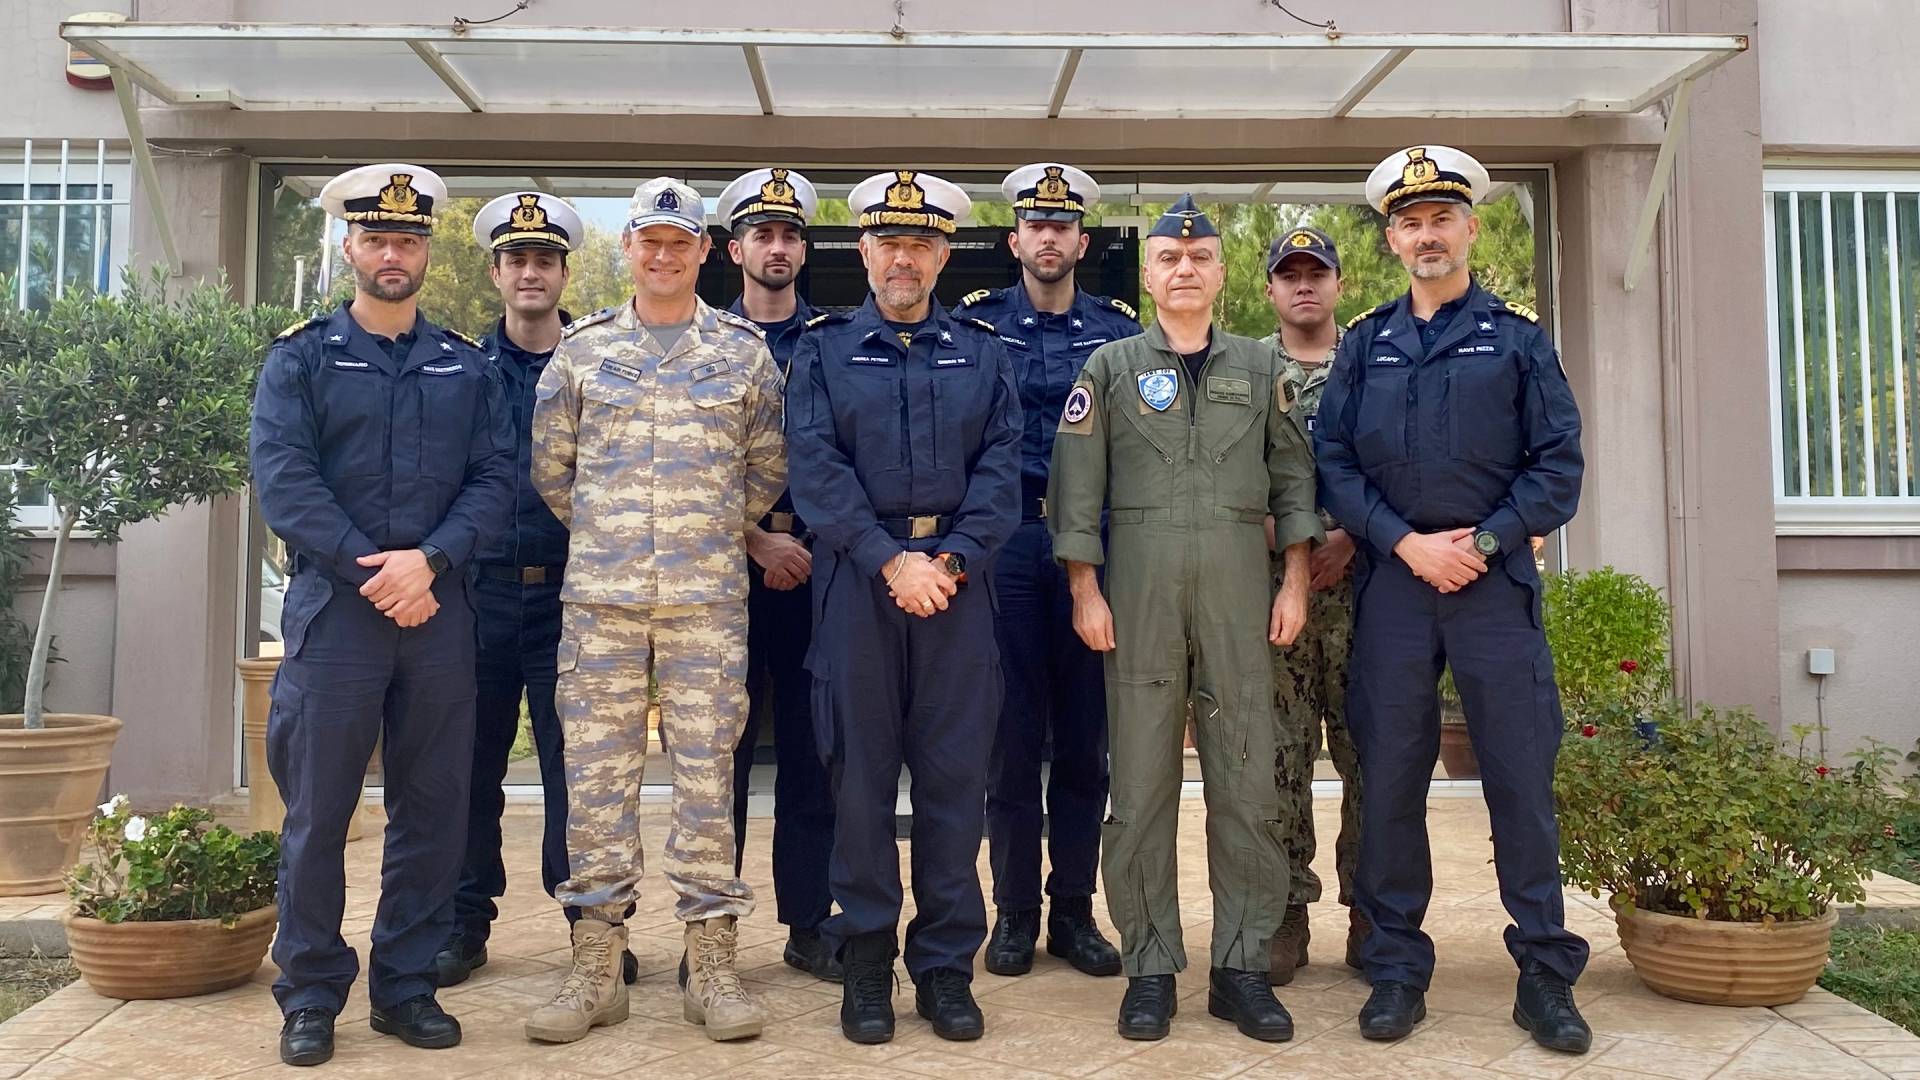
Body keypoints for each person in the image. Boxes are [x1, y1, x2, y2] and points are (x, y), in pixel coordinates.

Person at [1315, 145, 1591, 1053]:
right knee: (1390, 778)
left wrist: (1481, 543)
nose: (1425, 235)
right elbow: (1335, 464)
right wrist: (1403, 543)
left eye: (1440, 219)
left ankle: (1545, 973)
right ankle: (1395, 967)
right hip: (1395, 586)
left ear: (1470, 228)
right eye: (1408, 222)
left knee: (1518, 777)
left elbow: (1558, 466)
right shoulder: (1365, 343)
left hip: (1489, 584)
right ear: (1391, 239)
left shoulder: (1516, 340)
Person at [251, 163, 514, 1067]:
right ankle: (313, 992)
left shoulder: (465, 365)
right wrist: (382, 571)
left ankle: (405, 984)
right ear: (351, 247)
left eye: (407, 239)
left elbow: (496, 480)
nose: (391, 253)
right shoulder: (300, 359)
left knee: (432, 808)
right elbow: (286, 483)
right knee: (320, 812)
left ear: (426, 251)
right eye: (376, 238)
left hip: (440, 612)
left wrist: (430, 562)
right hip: (340, 615)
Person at [1047, 195, 1321, 1044]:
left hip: (1243, 591)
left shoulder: (1257, 366)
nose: (1185, 269)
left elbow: (1293, 484)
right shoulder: (1110, 368)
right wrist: (1086, 593)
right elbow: (1075, 493)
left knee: (1248, 781)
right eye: (1169, 257)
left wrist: (1296, 583)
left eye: (1199, 258)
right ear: (1150, 272)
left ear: (1220, 272)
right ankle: (1151, 967)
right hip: (1140, 596)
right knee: (1139, 788)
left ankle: (1240, 968)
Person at [525, 177, 786, 1045]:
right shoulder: (582, 353)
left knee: (709, 782)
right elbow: (554, 472)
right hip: (600, 604)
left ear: (705, 253)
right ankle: (595, 965)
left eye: (681, 243)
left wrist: (703, 534)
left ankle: (710, 962)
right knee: (597, 786)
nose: (666, 255)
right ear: (629, 248)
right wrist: (614, 539)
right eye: (650, 241)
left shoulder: (744, 354)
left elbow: (766, 469)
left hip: (708, 603)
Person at [785, 170, 1022, 1045]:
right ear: (867, 252)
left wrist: (948, 561)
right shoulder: (822, 350)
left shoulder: (984, 349)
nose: (903, 258)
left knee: (957, 783)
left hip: (958, 588)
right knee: (859, 781)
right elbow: (814, 471)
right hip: (859, 582)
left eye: (921, 243)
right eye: (888, 243)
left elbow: (1004, 473)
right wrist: (893, 564)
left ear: (943, 254)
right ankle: (867, 966)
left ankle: (946, 968)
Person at [437, 189, 641, 992]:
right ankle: (462, 921)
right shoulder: (460, 369)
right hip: (479, 594)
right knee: (469, 765)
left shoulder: (596, 362)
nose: (531, 272)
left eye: (545, 260)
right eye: (517, 259)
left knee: (580, 776)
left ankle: (592, 929)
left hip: (573, 598)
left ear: (563, 272)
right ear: (495, 271)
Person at [957, 163, 1135, 980]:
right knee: (1010, 742)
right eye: (1037, 225)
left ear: (1082, 241)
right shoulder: (978, 329)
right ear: (1015, 239)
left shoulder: (1121, 333)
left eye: (1064, 226)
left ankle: (1073, 914)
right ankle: (1014, 916)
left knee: (1085, 746)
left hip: (1095, 551)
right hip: (1008, 552)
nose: (1051, 237)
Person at [713, 167, 842, 982]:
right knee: (714, 758)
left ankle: (807, 921)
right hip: (723, 574)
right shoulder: (701, 341)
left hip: (819, 571)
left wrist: (805, 542)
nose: (778, 246)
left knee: (810, 751)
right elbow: (682, 466)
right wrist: (757, 538)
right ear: (735, 249)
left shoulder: (836, 339)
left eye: (791, 234)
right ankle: (712, 933)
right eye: (763, 234)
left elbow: (852, 456)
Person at [1257, 226, 1369, 986]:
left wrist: (1349, 540)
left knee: (1372, 758)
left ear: (1337, 284)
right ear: (1269, 289)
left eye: (1316, 273)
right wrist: (1293, 537)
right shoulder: (1244, 369)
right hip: (1273, 593)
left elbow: (1402, 461)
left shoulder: (1373, 365)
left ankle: (1371, 912)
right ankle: (1285, 915)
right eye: (1289, 274)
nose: (1304, 285)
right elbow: (1227, 471)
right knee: (1278, 759)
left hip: (1366, 592)